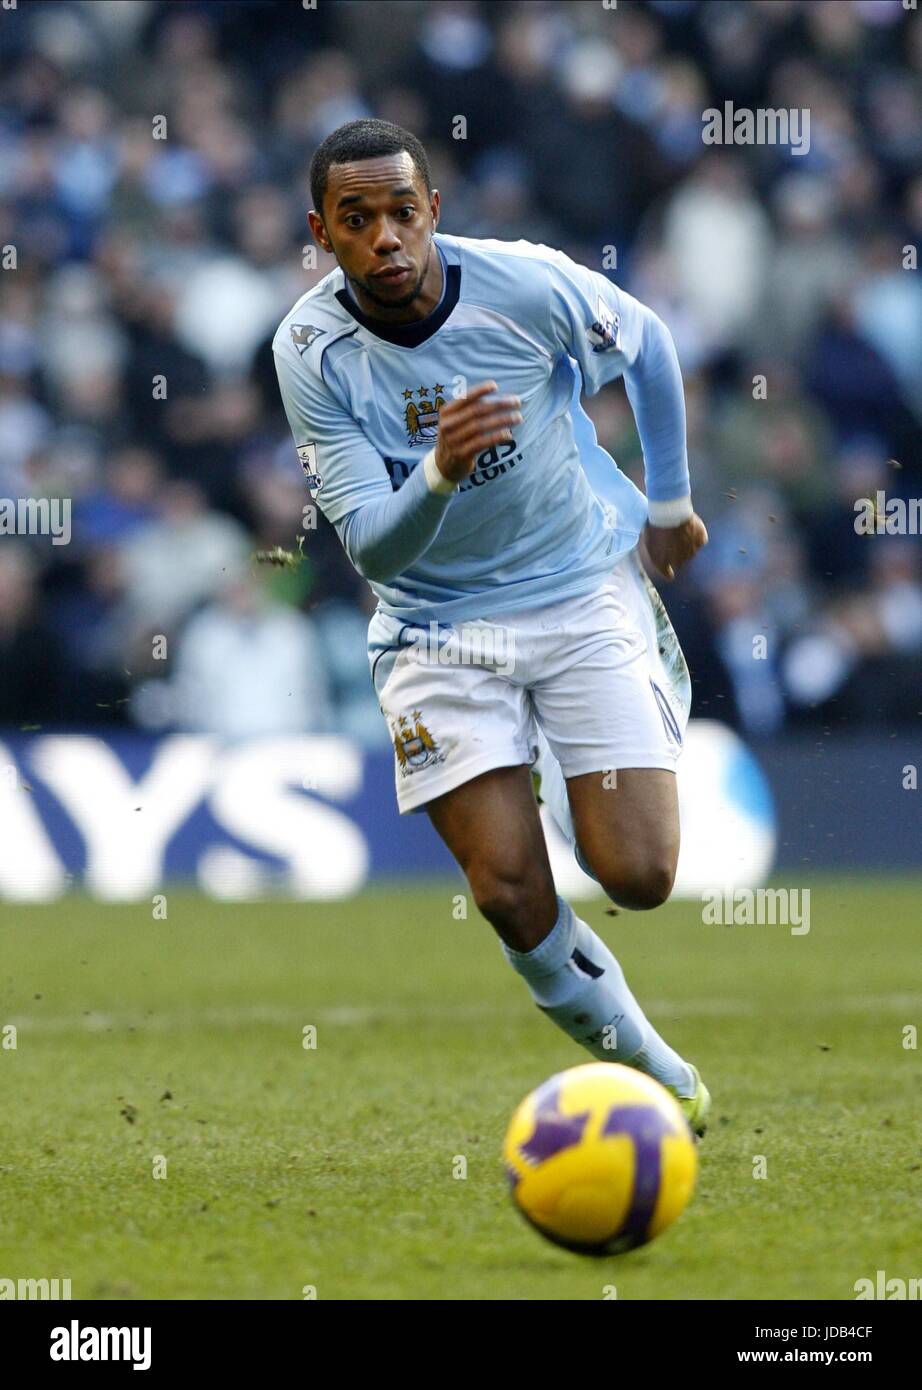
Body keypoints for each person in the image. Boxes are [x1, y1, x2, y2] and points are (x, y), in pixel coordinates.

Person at [273, 119, 711, 1134]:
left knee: (638, 875)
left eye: (400, 213)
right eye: (356, 219)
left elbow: (645, 341)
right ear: (321, 233)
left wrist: (668, 503)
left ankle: (569, 765)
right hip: (434, 629)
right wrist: (439, 469)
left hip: (575, 594)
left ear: (433, 212)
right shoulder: (309, 350)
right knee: (511, 890)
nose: (384, 237)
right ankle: (656, 1071)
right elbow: (374, 550)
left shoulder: (526, 285)